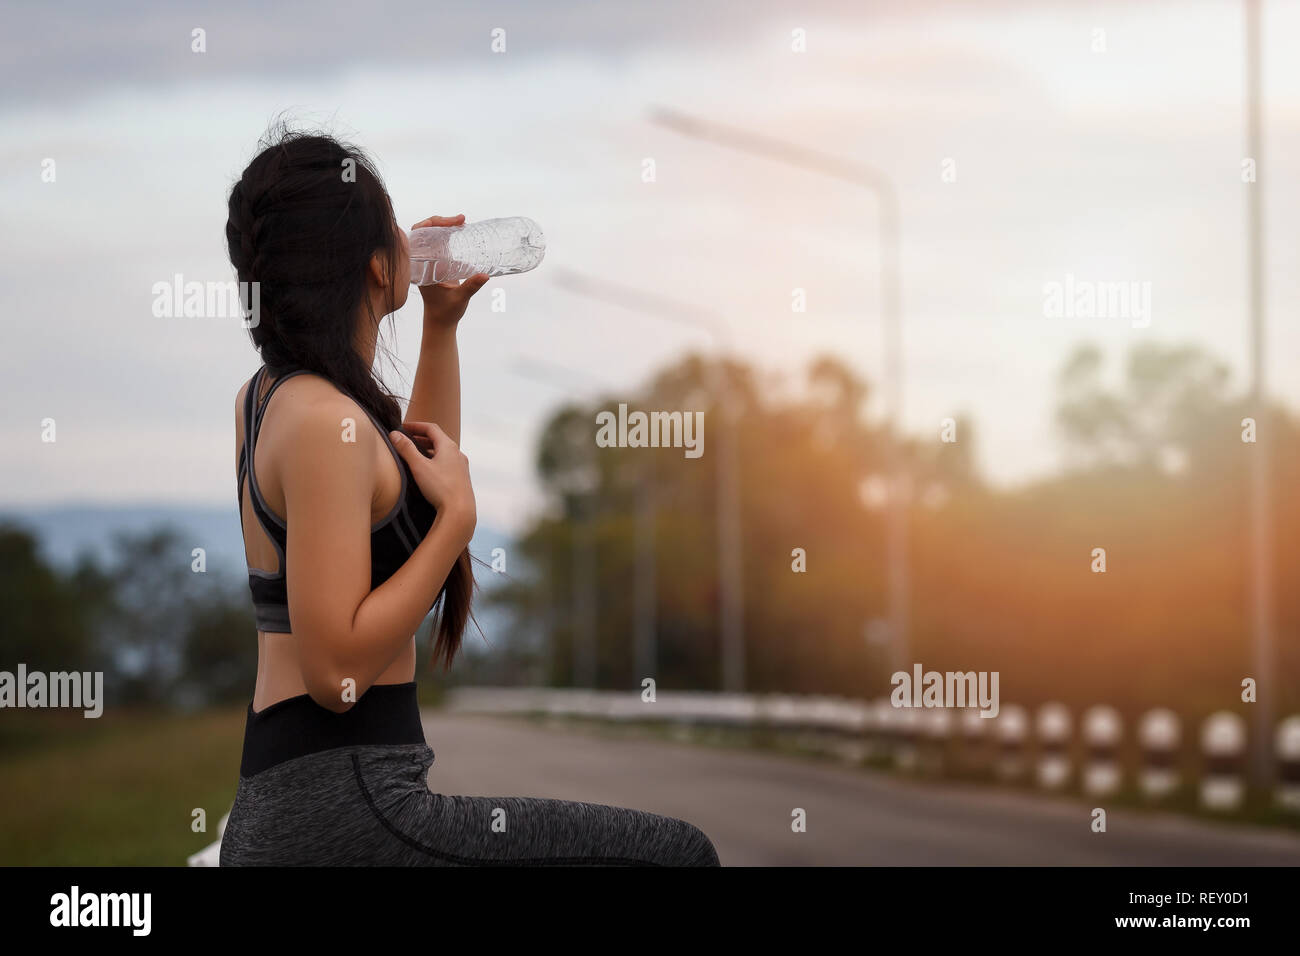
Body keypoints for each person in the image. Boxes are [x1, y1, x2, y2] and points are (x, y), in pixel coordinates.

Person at [218, 126, 719, 867]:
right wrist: (458, 523)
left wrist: (440, 327)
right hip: (347, 815)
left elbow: (409, 490)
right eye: (392, 221)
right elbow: (337, 676)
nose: (409, 234)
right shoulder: (326, 425)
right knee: (676, 855)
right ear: (366, 262)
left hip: (305, 806)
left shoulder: (272, 398)